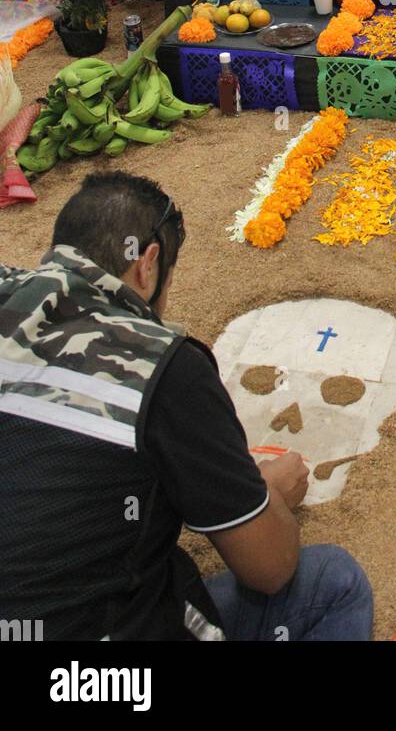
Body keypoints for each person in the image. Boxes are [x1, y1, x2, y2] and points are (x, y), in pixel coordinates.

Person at [0, 171, 373, 641]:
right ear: (148, 263)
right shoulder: (163, 367)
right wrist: (268, 494)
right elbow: (270, 568)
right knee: (336, 582)